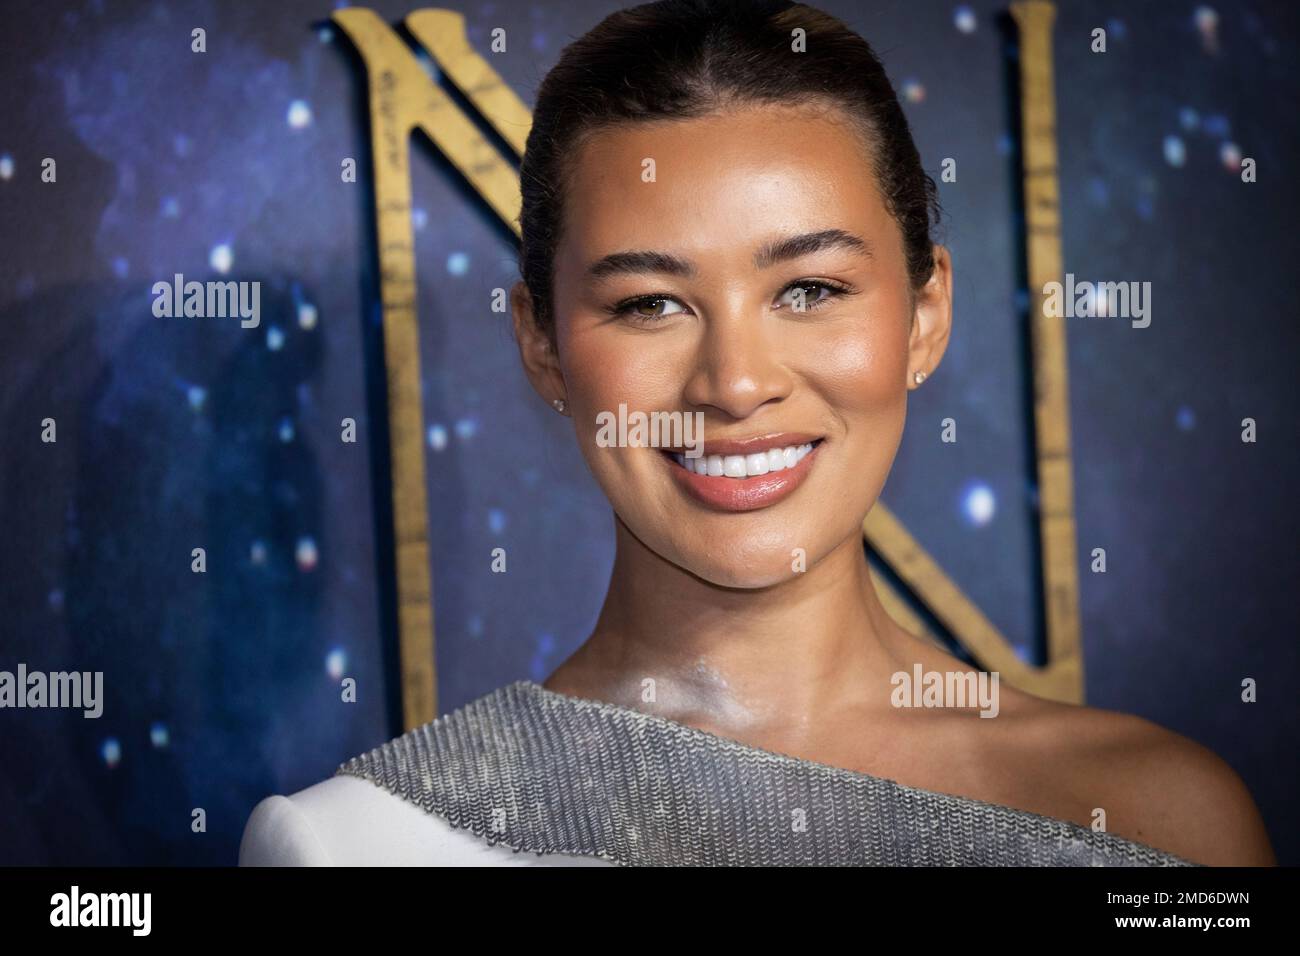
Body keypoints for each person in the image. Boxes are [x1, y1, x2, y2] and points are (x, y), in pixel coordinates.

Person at [240, 0, 1275, 867]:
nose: (734, 383)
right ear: (543, 346)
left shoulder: (1163, 820)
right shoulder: (364, 844)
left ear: (923, 315)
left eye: (810, 289)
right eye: (649, 303)